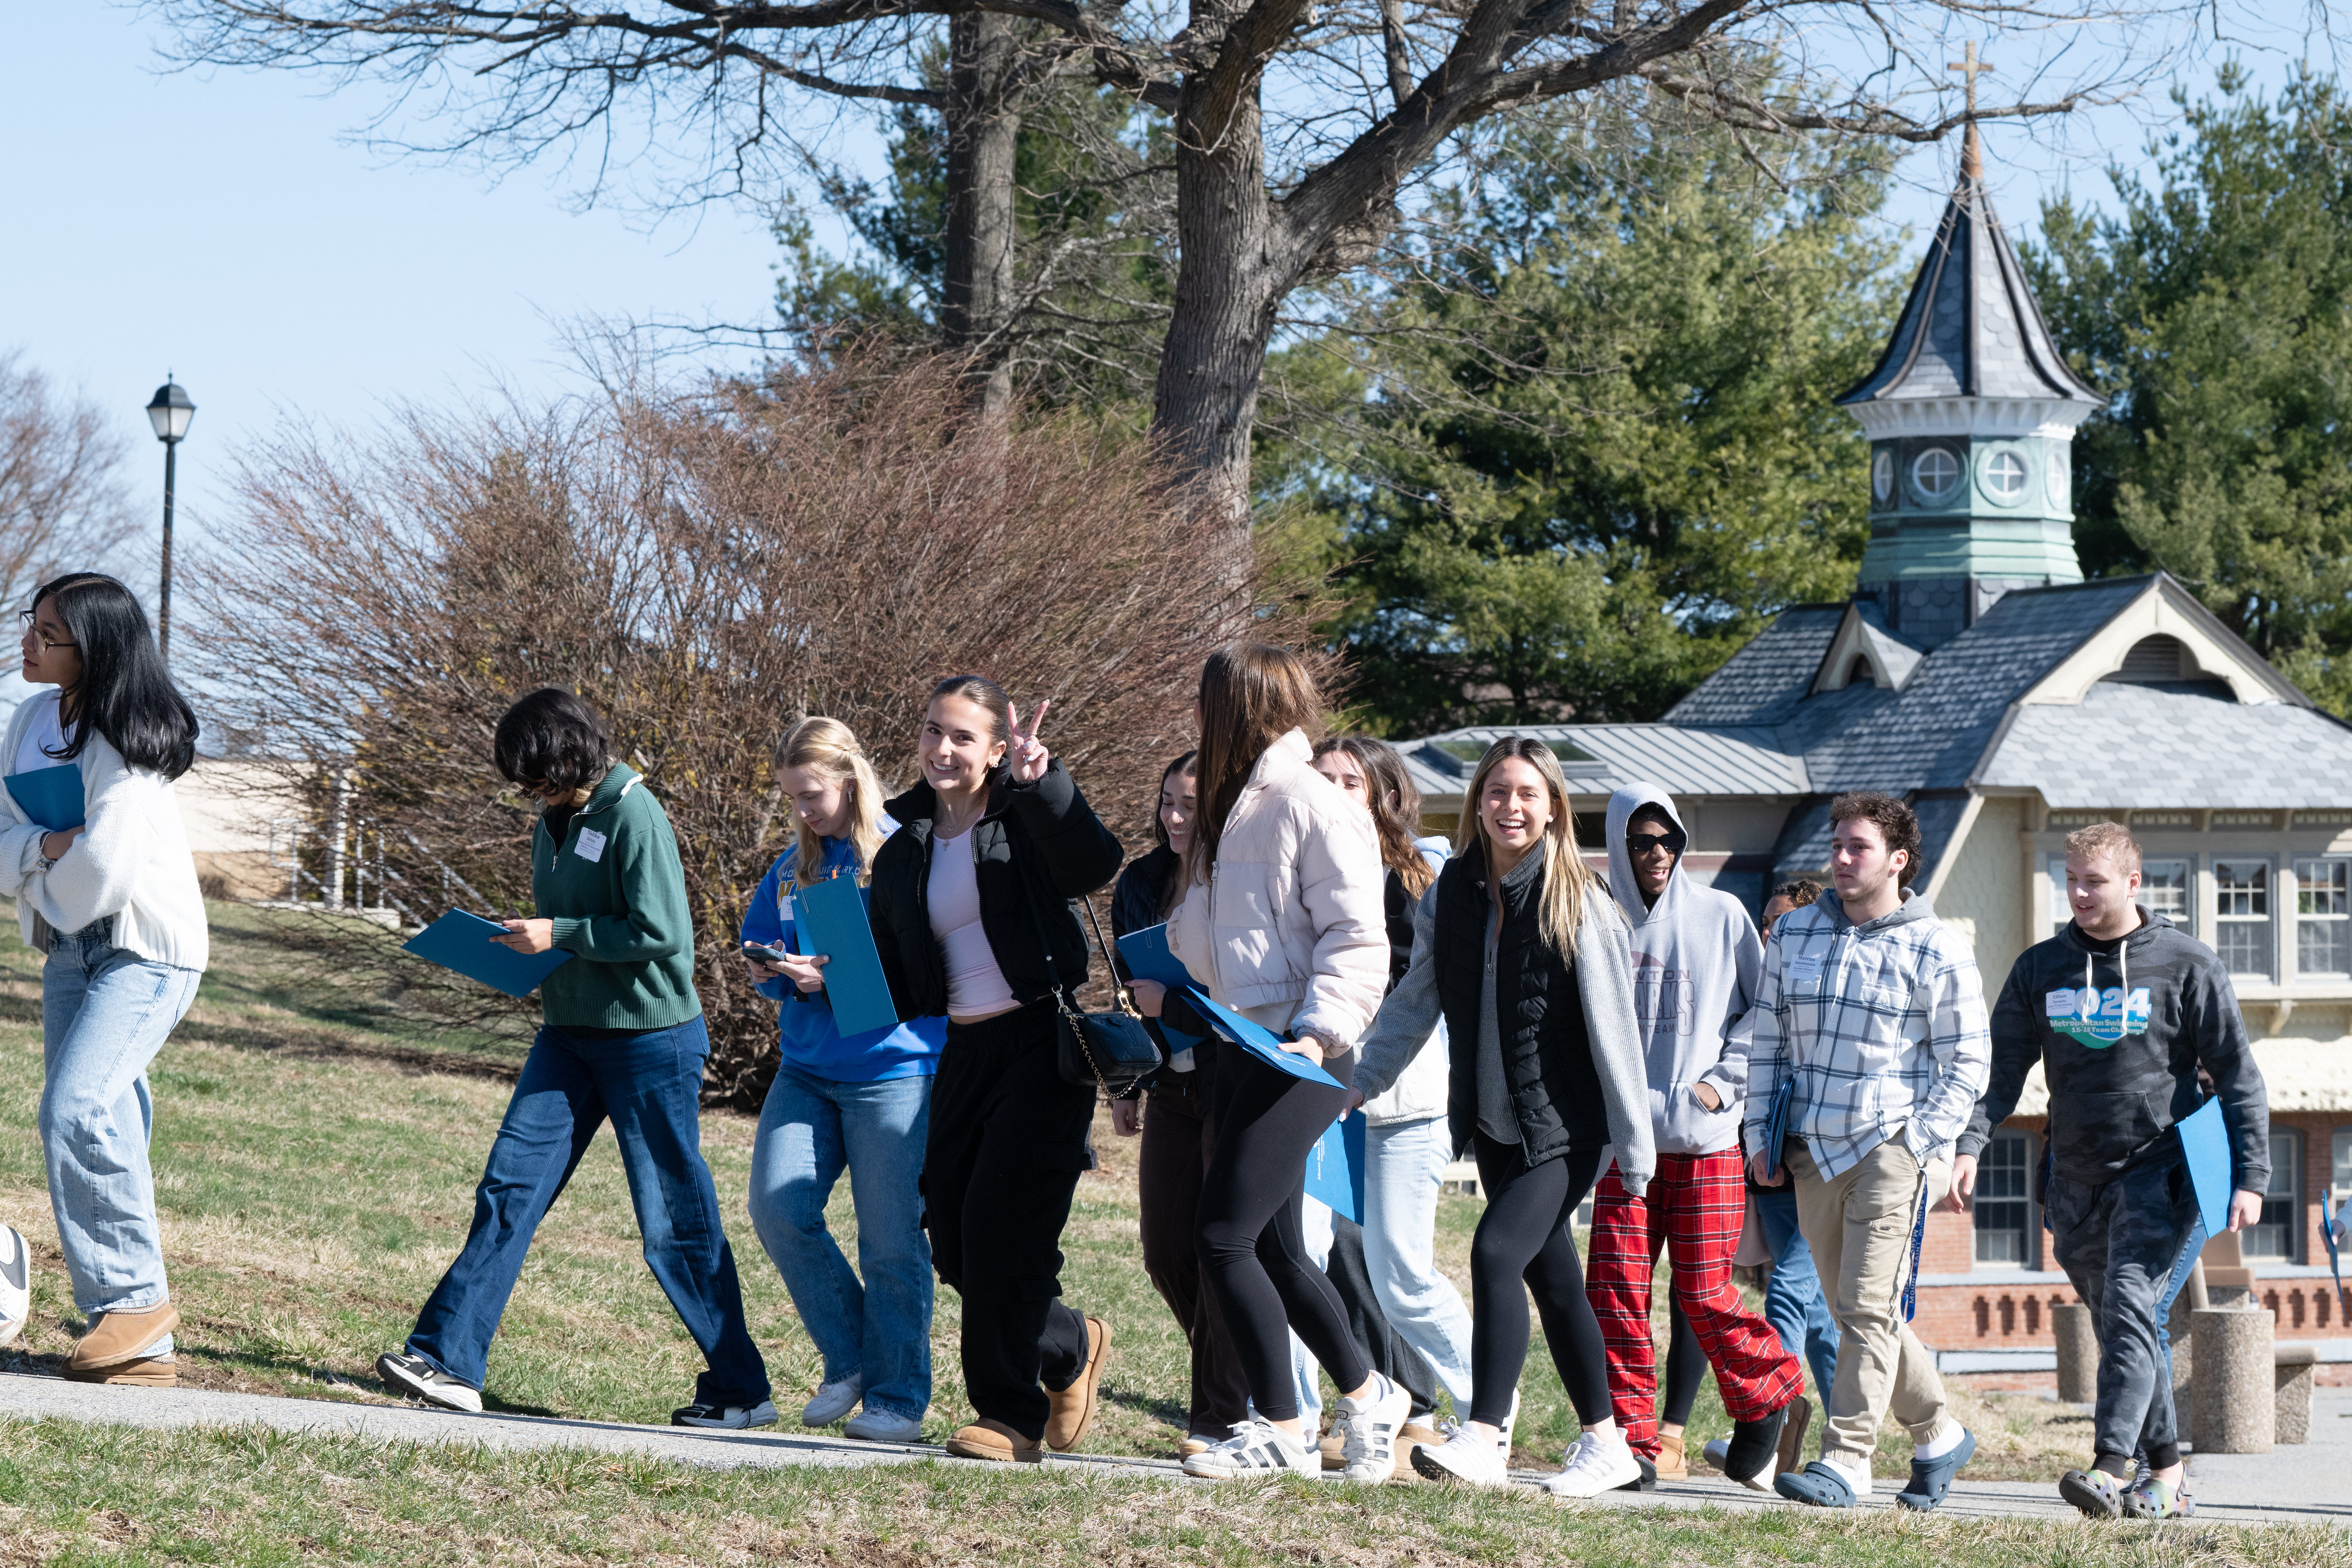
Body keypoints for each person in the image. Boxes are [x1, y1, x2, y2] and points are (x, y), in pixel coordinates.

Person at [378, 687, 774, 1427]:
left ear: (570, 753)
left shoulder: (634, 812)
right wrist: (519, 941)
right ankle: (448, 1360)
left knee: (672, 1224)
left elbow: (658, 929)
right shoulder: (553, 821)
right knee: (508, 1189)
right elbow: (569, 921)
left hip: (650, 1041)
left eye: (537, 777)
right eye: (523, 783)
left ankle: (740, 1390)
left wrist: (558, 932)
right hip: (568, 1034)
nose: (529, 792)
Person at [1353, 738, 1654, 1497]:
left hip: (1568, 1124)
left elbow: (1618, 1032)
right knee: (1555, 1280)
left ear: (1552, 805)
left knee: (1495, 1252)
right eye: (1496, 791)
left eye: (1526, 793)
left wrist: (1636, 1146)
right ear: (1477, 801)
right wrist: (1358, 1080)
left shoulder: (1578, 899)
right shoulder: (1450, 891)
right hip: (1494, 1121)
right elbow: (1414, 1000)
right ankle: (1606, 1441)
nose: (1510, 806)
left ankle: (1484, 1434)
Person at [1952, 822, 2269, 1521]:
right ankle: (2167, 1476)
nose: (2079, 894)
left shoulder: (2187, 964)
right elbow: (2002, 1071)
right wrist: (1971, 1142)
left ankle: (2108, 1464)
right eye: (2070, 881)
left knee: (2130, 1305)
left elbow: (2241, 1076)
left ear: (2132, 882)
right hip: (2074, 1178)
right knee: (2126, 1324)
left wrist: (2251, 1175)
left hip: (2161, 1172)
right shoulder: (2040, 968)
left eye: (2093, 881)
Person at [1148, 642, 1398, 1482]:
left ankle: (1284, 1427)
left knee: (1221, 1237)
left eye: (1202, 699)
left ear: (1237, 707)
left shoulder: (1312, 801)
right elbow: (1215, 944)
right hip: (1240, 1043)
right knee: (1282, 1249)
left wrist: (1319, 1033)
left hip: (1301, 1049)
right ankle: (1370, 1395)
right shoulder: (1232, 810)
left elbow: (1359, 936)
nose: (1192, 712)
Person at [866, 676, 1124, 1464]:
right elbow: (899, 959)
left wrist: (1045, 786)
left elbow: (1094, 862)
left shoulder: (1021, 812)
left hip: (1043, 1045)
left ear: (998, 748)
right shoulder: (904, 833)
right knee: (951, 1238)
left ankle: (1008, 1414)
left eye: (964, 737)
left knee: (1000, 1229)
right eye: (933, 730)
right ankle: (1069, 1340)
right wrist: (828, 972)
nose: (944, 749)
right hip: (966, 1051)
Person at [1746, 792, 1989, 1512]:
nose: (1842, 859)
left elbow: (1968, 1063)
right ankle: (1938, 1433)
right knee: (1865, 1311)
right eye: (1838, 845)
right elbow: (1767, 1039)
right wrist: (1759, 1132)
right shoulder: (1794, 937)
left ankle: (1847, 1458)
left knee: (1864, 1304)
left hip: (1890, 1148)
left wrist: (1917, 1143)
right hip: (1809, 1150)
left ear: (1898, 860)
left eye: (1858, 847)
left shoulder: (1936, 946)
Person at [0, 573, 207, 1388]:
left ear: (94, 650)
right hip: (69, 949)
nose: (30, 641)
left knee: (76, 1106)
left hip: (144, 950)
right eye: (32, 624)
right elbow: (25, 842)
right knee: (106, 1118)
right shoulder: (25, 721)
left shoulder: (123, 736)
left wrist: (34, 862)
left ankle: (132, 1300)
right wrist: (43, 851)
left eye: (49, 633)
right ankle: (138, 1341)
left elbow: (106, 875)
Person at [1586, 785, 1808, 1491]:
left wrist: (1722, 1083)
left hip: (1705, 1140)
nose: (1656, 854)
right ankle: (1632, 1442)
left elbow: (1765, 1016)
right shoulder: (1593, 917)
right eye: (1641, 841)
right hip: (1620, 1145)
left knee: (1705, 1291)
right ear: (1618, 843)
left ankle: (1768, 1390)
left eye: (1668, 840)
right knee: (1615, 1292)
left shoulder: (1721, 914)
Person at [740, 717, 948, 1444]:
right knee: (776, 1207)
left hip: (894, 1069)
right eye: (792, 797)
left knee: (891, 1239)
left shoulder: (904, 853)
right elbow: (760, 946)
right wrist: (775, 972)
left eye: (812, 794)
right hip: (807, 1069)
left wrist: (827, 980)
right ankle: (855, 1357)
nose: (802, 810)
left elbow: (926, 968)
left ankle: (897, 1399)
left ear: (850, 779)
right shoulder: (791, 866)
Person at [1309, 735, 1473, 1470]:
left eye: (1351, 780)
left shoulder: (1426, 873)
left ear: (1380, 791)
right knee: (1307, 1254)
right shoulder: (1299, 868)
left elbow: (1427, 994)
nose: (1337, 790)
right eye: (1323, 779)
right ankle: (1298, 1416)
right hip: (1319, 1093)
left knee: (1402, 1274)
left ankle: (1484, 1411)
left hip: (1408, 1099)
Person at [1107, 752, 1251, 1458]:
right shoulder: (1139, 881)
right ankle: (1247, 1362)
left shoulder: (1240, 880)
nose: (1173, 816)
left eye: (1190, 804)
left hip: (1231, 1079)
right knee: (1166, 1251)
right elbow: (1129, 991)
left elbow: (1248, 995)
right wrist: (1125, 1082)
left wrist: (1182, 1010)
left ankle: (1219, 1418)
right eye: (1167, 800)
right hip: (1167, 1082)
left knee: (1220, 1246)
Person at [1704, 880, 1841, 1479]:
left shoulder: (1820, 991)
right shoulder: (1756, 988)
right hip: (1770, 1177)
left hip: (1815, 1174)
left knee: (1787, 1293)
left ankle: (1767, 1423)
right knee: (1818, 1321)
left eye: (1778, 922)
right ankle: (1841, 1449)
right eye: (1764, 921)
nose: (1766, 932)